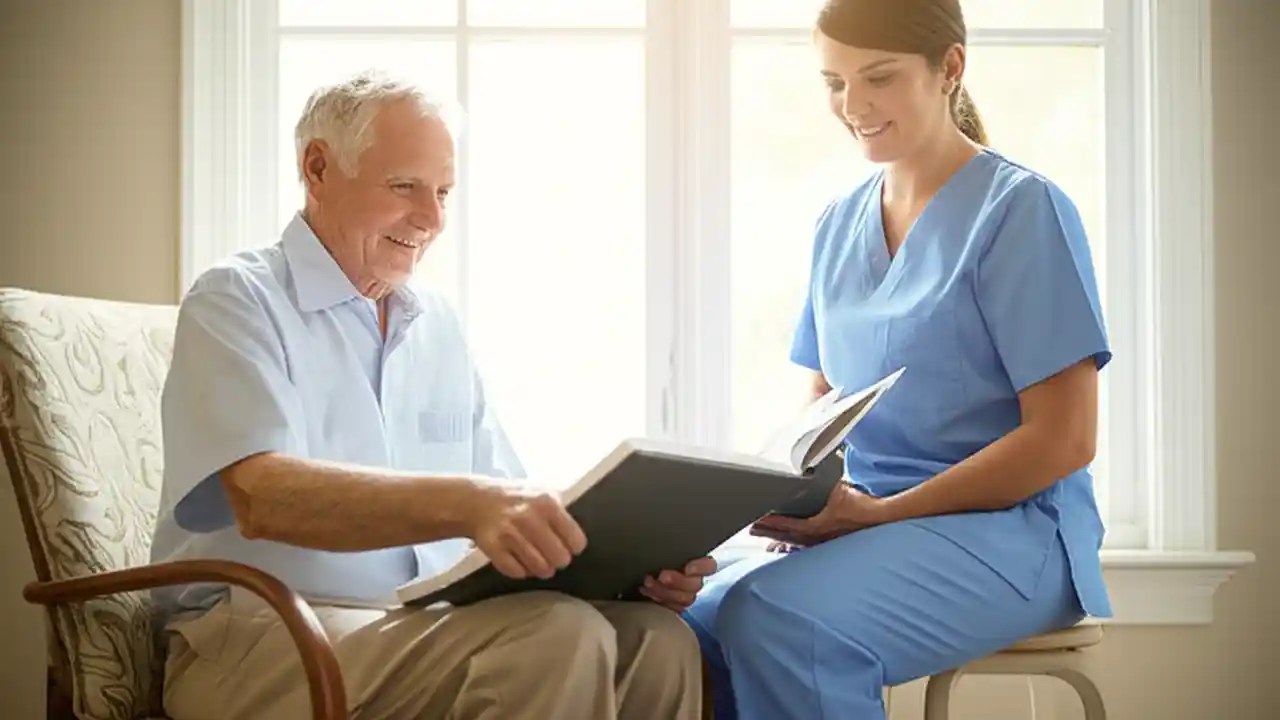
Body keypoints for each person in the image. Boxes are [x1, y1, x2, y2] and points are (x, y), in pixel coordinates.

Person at [150, 71, 713, 720]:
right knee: (554, 637)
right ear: (317, 168)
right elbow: (259, 496)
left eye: (443, 192)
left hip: (414, 622)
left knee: (658, 640)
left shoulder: (436, 322)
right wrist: (469, 504)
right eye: (404, 187)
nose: (432, 219)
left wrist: (626, 569)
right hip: (259, 633)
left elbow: (500, 496)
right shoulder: (237, 298)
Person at [682, 0, 1112, 718]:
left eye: (878, 78)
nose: (854, 106)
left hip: (1015, 536)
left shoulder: (1021, 210)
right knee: (687, 613)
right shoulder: (837, 223)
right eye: (835, 82)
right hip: (871, 524)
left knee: (780, 619)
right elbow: (822, 411)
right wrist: (797, 503)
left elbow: (1064, 440)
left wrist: (880, 516)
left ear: (950, 67)